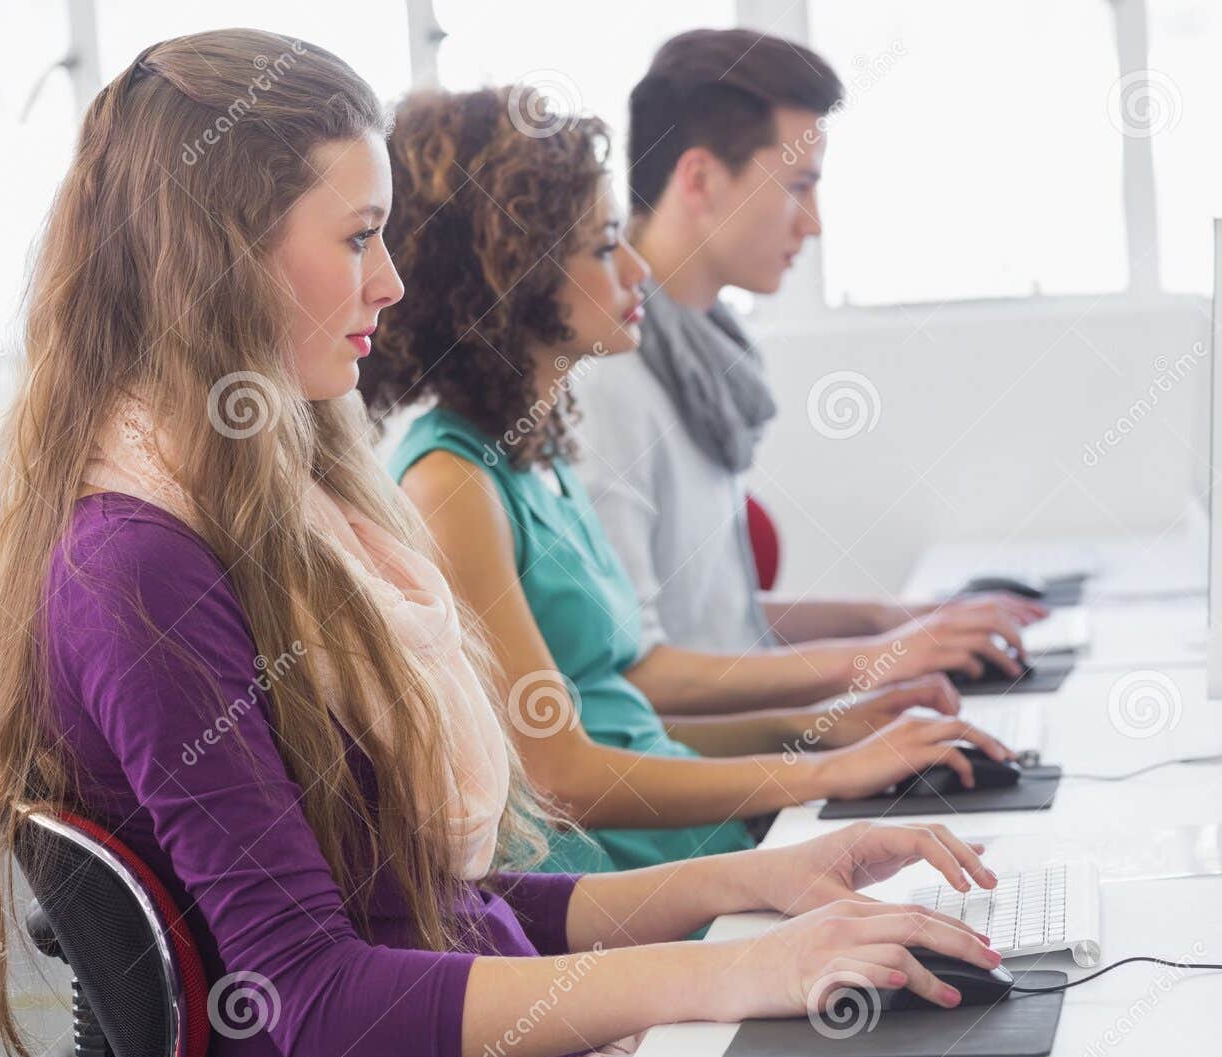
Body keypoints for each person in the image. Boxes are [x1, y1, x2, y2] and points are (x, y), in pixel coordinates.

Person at [0, 31, 1003, 1057]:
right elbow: (314, 1002)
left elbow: (447, 908)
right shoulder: (138, 573)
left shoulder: (278, 513)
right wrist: (733, 970)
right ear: (219, 263)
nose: (389, 279)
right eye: (358, 237)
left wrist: (759, 880)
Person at [360, 87, 1016, 875]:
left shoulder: (538, 455)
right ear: (514, 279)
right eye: (604, 248)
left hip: (696, 848)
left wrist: (821, 730)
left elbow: (628, 718)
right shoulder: (450, 484)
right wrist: (819, 767)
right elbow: (559, 774)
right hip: (631, 888)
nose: (636, 268)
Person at [571, 28, 1045, 659]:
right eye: (799, 185)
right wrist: (882, 662)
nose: (814, 223)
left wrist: (897, 621)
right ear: (702, 180)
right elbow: (640, 668)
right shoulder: (611, 379)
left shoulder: (704, 358)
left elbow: (719, 621)